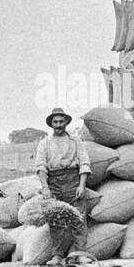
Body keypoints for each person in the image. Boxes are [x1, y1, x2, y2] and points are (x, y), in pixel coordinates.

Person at [33, 107, 91, 254]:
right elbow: (41, 167)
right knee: (55, 219)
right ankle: (57, 255)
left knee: (78, 218)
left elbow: (84, 163)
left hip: (73, 180)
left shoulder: (75, 141)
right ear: (51, 124)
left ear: (66, 122)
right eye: (55, 122)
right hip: (54, 182)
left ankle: (80, 253)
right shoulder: (44, 143)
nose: (58, 125)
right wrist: (46, 188)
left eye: (61, 121)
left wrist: (81, 185)